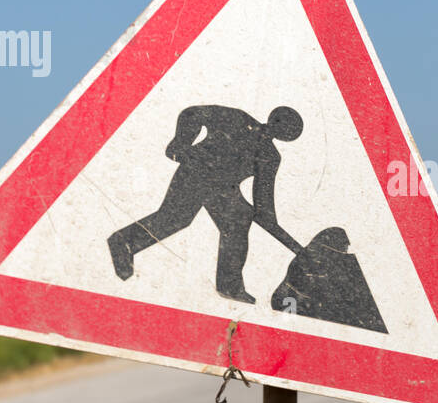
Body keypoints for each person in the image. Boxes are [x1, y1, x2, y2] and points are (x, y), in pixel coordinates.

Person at [107, 105, 304, 304]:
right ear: (273, 118)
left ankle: (229, 286)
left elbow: (264, 208)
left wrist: (298, 249)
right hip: (197, 171)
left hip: (223, 188)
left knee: (239, 219)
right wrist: (181, 143)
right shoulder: (239, 119)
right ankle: (123, 241)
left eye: (286, 130)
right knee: (176, 218)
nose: (278, 129)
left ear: (288, 137)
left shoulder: (270, 157)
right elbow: (191, 113)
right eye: (280, 123)